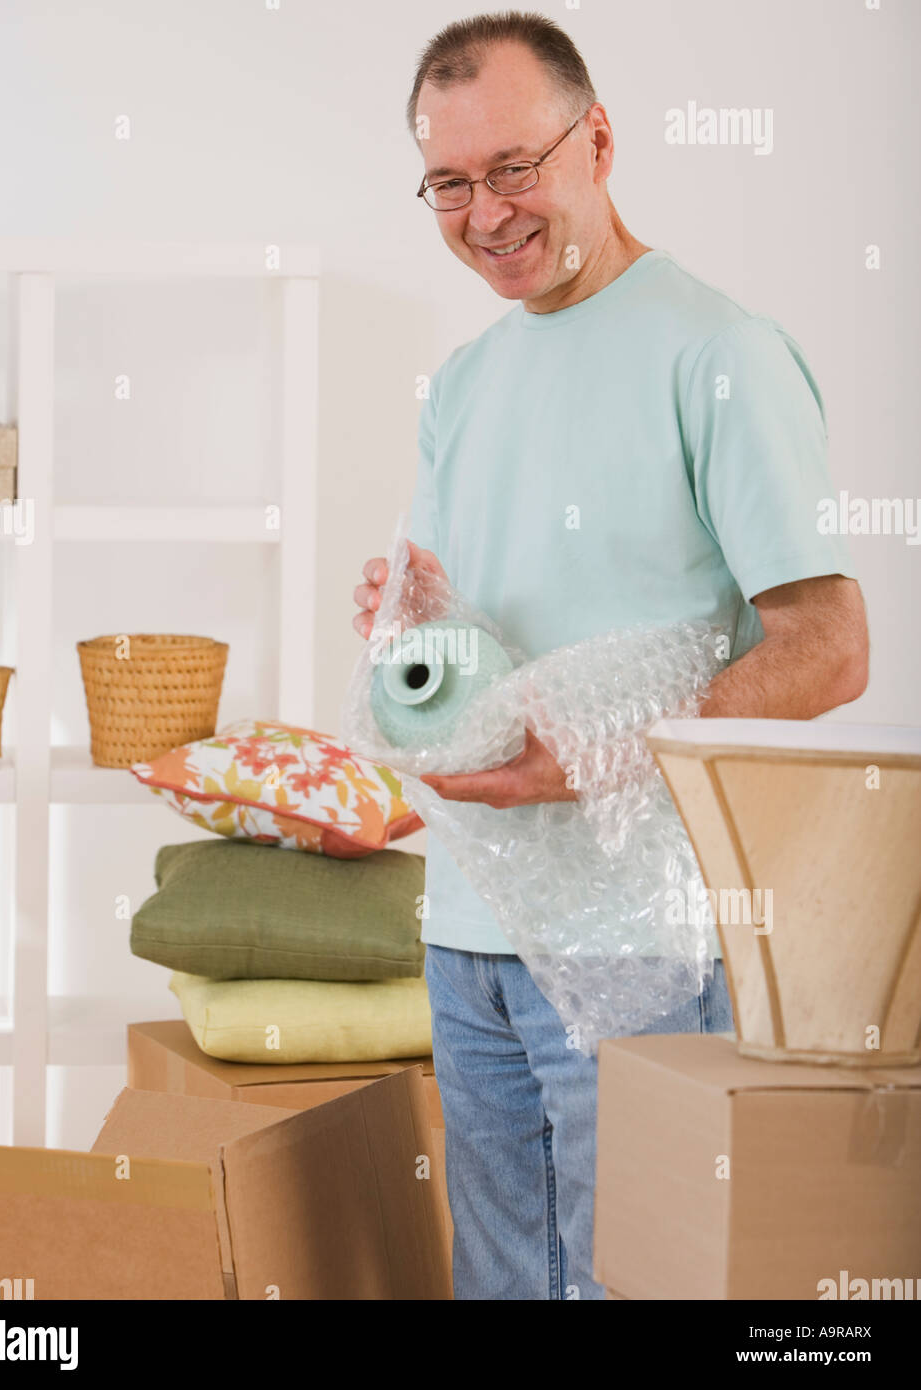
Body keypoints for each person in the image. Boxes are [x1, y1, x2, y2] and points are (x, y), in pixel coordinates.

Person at [351, 11, 868, 1301]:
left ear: (599, 141)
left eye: (516, 168)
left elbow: (830, 647)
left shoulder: (720, 355)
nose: (487, 213)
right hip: (471, 934)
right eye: (451, 184)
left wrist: (590, 747)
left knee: (641, 1284)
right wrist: (418, 621)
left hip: (642, 940)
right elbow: (498, 636)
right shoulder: (464, 383)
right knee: (506, 1288)